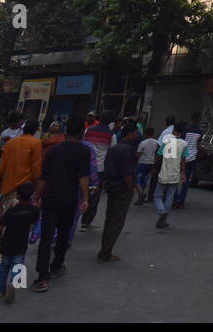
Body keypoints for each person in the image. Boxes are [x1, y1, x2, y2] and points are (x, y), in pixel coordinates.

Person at [33, 117, 90, 292]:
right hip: (69, 199)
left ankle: (43, 277)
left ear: (66, 132)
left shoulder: (54, 151)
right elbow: (83, 176)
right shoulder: (83, 151)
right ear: (81, 132)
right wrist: (86, 198)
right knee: (64, 234)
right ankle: (56, 265)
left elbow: (44, 177)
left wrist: (36, 197)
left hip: (50, 197)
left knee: (46, 237)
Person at [97, 125, 137, 263]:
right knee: (117, 220)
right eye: (134, 133)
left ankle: (105, 248)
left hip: (111, 186)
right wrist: (130, 188)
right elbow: (127, 173)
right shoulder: (127, 150)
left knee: (110, 218)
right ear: (130, 134)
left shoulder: (114, 148)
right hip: (121, 188)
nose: (135, 135)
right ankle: (106, 252)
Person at [0, 182, 38, 303]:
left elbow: (0, 227)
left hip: (7, 243)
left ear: (17, 196)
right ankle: (14, 284)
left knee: (4, 267)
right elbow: (35, 223)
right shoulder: (33, 210)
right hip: (21, 243)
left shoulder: (11, 212)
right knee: (18, 265)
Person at [0, 118, 43, 207]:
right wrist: (37, 186)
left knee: (7, 213)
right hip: (24, 187)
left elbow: (3, 163)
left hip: (8, 186)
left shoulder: (11, 142)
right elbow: (36, 168)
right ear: (36, 130)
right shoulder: (36, 143)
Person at [80, 110, 115, 230]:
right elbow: (111, 152)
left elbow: (83, 144)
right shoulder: (111, 134)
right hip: (100, 168)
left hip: (85, 164)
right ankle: (86, 221)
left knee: (82, 190)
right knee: (95, 194)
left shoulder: (88, 130)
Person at [153, 126, 187, 229]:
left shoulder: (166, 141)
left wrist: (155, 167)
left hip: (164, 172)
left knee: (157, 195)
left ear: (173, 131)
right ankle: (164, 217)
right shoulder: (184, 144)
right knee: (170, 196)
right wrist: (183, 172)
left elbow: (159, 155)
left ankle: (162, 211)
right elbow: (183, 159)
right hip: (175, 173)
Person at [173, 112, 202, 210]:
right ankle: (181, 201)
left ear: (190, 119)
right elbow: (198, 143)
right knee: (186, 181)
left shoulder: (185, 129)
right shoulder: (199, 131)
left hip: (181, 156)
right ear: (198, 120)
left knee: (175, 178)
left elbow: (180, 142)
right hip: (192, 157)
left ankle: (175, 198)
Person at [134, 126, 158, 205]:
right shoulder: (156, 142)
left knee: (136, 179)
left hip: (142, 163)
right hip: (151, 163)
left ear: (145, 133)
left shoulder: (143, 143)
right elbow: (157, 154)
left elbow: (138, 154)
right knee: (144, 180)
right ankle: (140, 198)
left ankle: (141, 194)